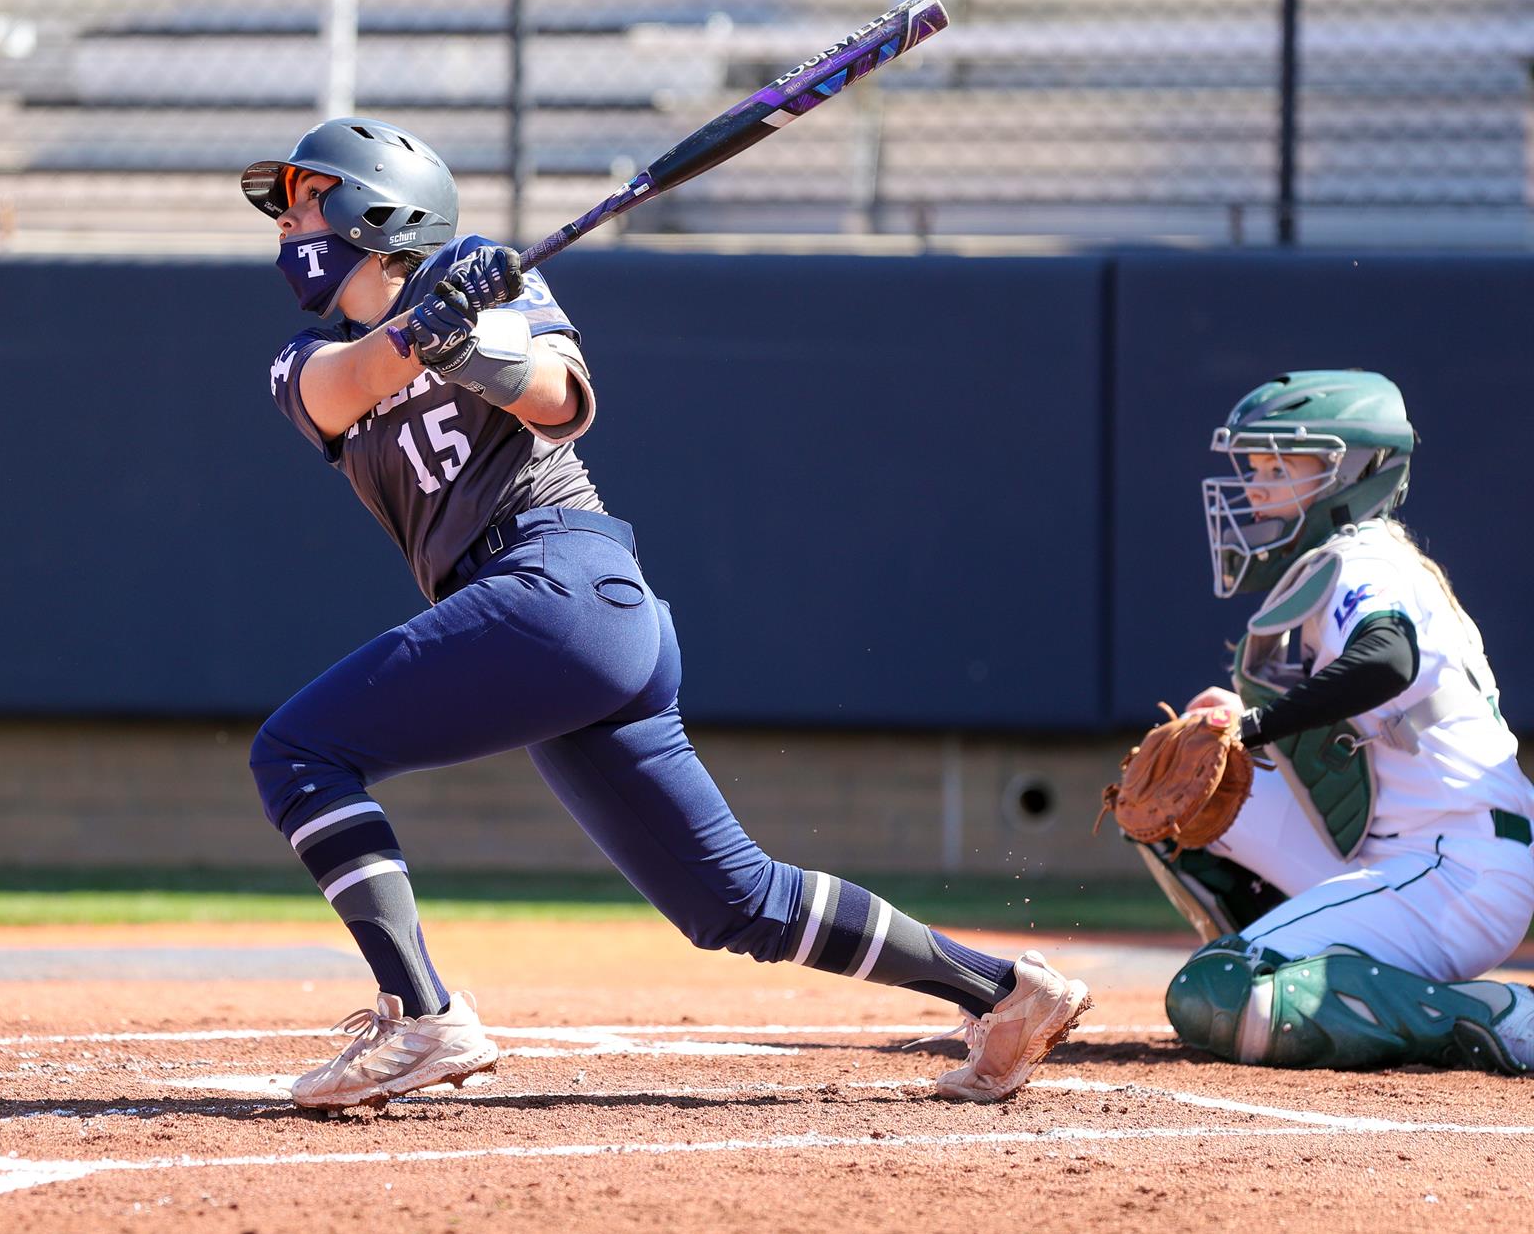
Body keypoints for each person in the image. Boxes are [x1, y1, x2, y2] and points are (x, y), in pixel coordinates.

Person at [239, 117, 1092, 1110]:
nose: (287, 217)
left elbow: (560, 401)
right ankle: (1002, 992)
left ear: (371, 204)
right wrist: (410, 339)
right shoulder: (302, 359)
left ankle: (420, 1013)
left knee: (296, 752)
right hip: (558, 623)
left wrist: (477, 344)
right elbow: (339, 390)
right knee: (730, 902)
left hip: (556, 582)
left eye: (303, 194)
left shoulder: (473, 269)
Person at [1146, 369, 1534, 1073]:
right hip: (1398, 849)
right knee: (1176, 791)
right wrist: (1236, 724)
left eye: (1280, 464)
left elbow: (1388, 659)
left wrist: (1254, 727)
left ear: (1352, 470)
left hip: (1455, 868)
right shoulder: (1348, 559)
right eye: (1255, 465)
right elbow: (1348, 727)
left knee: (1216, 992)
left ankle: (1497, 1014)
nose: (1258, 485)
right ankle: (1285, 959)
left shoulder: (1367, 556)